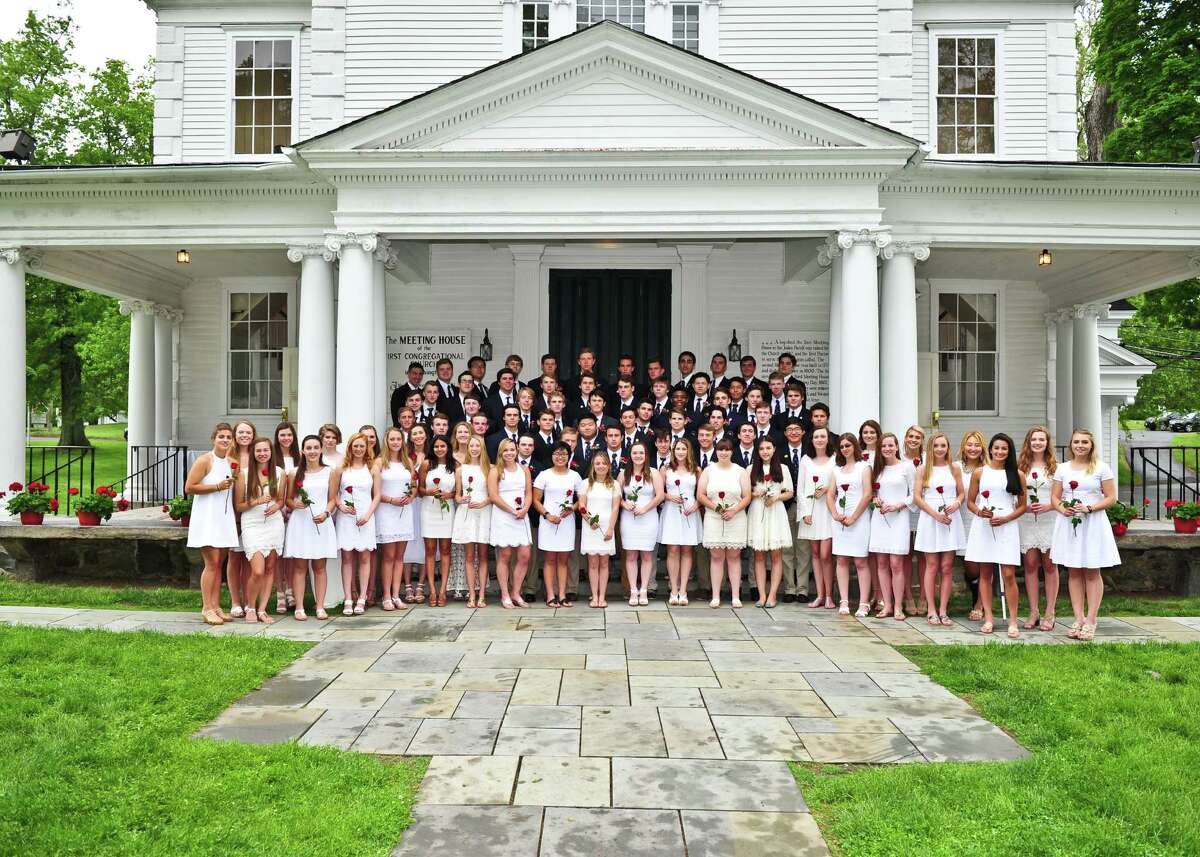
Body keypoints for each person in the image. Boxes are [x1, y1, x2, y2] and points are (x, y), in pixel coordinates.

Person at [1051, 429, 1120, 642]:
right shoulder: (1062, 468)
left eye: (1084, 442)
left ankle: (1091, 620)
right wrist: (1063, 509)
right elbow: (1054, 496)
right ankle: (1078, 617)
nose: (1080, 445)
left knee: (1091, 571)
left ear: (1091, 445)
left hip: (1092, 523)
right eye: (1076, 442)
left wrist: (1090, 508)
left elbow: (1111, 498)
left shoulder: (1101, 467)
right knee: (1073, 571)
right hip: (1070, 522)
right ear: (1071, 444)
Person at [965, 433, 1028, 638]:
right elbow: (970, 502)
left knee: (1008, 574)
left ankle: (1012, 621)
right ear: (990, 449)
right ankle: (989, 618)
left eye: (1004, 449)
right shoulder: (979, 473)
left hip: (1006, 525)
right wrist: (979, 512)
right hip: (984, 525)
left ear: (1009, 452)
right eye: (996, 448)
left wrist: (1006, 519)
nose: (999, 452)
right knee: (985, 573)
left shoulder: (1017, 474)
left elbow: (1022, 506)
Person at [184, 422, 239, 625]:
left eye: (228, 437)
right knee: (211, 562)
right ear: (213, 439)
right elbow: (189, 487)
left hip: (224, 517)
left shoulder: (233, 463)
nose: (225, 440)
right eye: (221, 436)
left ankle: (216, 606)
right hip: (207, 516)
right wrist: (216, 486)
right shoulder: (204, 461)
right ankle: (206, 607)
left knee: (220, 562)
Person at [913, 432, 966, 626]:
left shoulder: (955, 468)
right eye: (936, 446)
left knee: (946, 566)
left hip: (950, 518)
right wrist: (934, 514)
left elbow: (961, 493)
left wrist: (957, 504)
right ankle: (931, 609)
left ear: (948, 448)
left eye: (943, 445)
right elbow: (917, 497)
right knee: (932, 565)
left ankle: (943, 609)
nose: (940, 449)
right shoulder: (923, 469)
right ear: (931, 448)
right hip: (930, 518)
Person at [284, 434, 339, 620]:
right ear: (302, 451)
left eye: (316, 447)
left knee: (320, 566)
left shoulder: (330, 472)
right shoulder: (293, 473)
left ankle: (320, 606)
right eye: (309, 448)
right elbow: (288, 499)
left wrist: (326, 513)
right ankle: (299, 607)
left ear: (321, 449)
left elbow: (332, 499)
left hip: (321, 522)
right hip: (300, 523)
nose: (313, 451)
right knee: (300, 567)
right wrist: (294, 504)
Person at [235, 437, 287, 625]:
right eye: (259, 451)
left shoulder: (279, 473)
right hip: (253, 524)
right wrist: (257, 501)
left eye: (266, 450)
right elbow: (239, 506)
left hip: (274, 523)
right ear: (253, 453)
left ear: (271, 452)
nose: (262, 453)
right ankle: (250, 606)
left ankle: (262, 609)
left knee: (271, 567)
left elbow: (281, 499)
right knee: (257, 570)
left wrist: (276, 507)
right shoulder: (244, 474)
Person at [698, 439, 751, 608]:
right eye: (720, 449)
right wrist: (717, 508)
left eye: (727, 450)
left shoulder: (740, 471)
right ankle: (715, 595)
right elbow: (701, 495)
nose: (724, 453)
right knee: (716, 557)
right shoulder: (708, 470)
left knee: (734, 557)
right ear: (716, 451)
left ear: (732, 452)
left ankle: (735, 596)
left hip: (736, 517)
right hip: (714, 517)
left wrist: (734, 510)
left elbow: (747, 496)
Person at [867, 433, 914, 620]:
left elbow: (915, 495)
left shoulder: (907, 467)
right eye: (883, 446)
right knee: (882, 563)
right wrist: (875, 499)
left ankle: (898, 606)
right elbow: (871, 492)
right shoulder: (876, 469)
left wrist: (898, 505)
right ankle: (886, 605)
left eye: (890, 445)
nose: (887, 449)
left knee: (896, 563)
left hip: (899, 518)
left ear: (896, 447)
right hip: (880, 518)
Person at [333, 432, 380, 616]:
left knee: (365, 557)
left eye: (362, 446)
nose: (359, 449)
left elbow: (376, 495)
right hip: (347, 517)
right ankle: (347, 598)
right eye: (355, 446)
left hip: (366, 516)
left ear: (366, 448)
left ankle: (362, 597)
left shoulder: (372, 468)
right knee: (347, 558)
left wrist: (368, 514)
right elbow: (334, 493)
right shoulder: (341, 469)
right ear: (350, 447)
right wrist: (341, 506)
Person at [1018, 426, 1060, 632]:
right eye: (1033, 439)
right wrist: (1023, 507)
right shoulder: (1020, 467)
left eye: (1041, 439)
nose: (1037, 442)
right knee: (1031, 564)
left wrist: (1049, 506)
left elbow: (1062, 497)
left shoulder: (1056, 467)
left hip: (1049, 517)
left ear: (1047, 442)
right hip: (1026, 519)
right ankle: (1034, 611)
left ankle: (1050, 611)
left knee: (1050, 565)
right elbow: (1014, 494)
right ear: (1028, 441)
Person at [533, 442, 584, 608]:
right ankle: (550, 595)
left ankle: (562, 594)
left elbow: (581, 499)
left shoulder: (575, 476)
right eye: (557, 454)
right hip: (548, 521)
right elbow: (535, 500)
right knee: (549, 559)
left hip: (566, 522)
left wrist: (572, 508)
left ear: (569, 456)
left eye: (564, 454)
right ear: (551, 456)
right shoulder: (544, 475)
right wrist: (547, 515)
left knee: (563, 560)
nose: (560, 457)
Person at [828, 433, 873, 617]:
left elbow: (868, 494)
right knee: (841, 560)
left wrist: (854, 517)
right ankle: (844, 601)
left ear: (855, 446)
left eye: (848, 445)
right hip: (840, 519)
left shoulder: (864, 467)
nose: (845, 449)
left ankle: (863, 603)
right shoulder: (836, 470)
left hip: (859, 517)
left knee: (861, 560)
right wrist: (836, 514)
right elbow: (831, 494)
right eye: (842, 446)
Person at [747, 436, 795, 608]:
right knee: (758, 555)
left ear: (774, 449)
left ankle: (773, 594)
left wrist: (776, 497)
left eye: (768, 448)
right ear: (757, 451)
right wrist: (756, 494)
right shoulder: (750, 468)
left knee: (776, 556)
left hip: (775, 511)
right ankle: (761, 595)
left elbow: (790, 492)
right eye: (761, 449)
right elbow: (745, 492)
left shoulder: (783, 468)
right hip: (758, 510)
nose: (765, 452)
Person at [373, 427, 416, 612]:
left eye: (399, 439)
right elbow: (374, 491)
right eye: (392, 439)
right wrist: (391, 500)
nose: (396, 442)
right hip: (386, 511)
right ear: (386, 441)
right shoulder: (379, 462)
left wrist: (411, 497)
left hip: (404, 512)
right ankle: (386, 595)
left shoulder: (408, 462)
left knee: (400, 556)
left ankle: (397, 595)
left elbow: (414, 484)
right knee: (389, 556)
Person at [618, 441, 664, 605]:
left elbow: (660, 496)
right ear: (630, 455)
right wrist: (625, 504)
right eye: (635, 453)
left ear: (646, 455)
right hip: (629, 519)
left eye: (641, 453)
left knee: (646, 555)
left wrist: (646, 508)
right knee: (630, 555)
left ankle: (644, 589)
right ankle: (633, 590)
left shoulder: (653, 473)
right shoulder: (624, 474)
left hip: (649, 517)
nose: (638, 456)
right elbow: (617, 497)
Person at [488, 438, 533, 608]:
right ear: (501, 452)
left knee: (524, 555)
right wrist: (511, 510)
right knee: (505, 555)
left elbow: (528, 493)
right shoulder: (495, 471)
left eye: (512, 450)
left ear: (517, 451)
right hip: (503, 516)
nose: (509, 453)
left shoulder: (524, 470)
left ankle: (516, 592)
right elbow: (493, 496)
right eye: (505, 450)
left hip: (521, 516)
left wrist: (524, 509)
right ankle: (505, 594)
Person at [453, 433, 493, 608]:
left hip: (484, 511)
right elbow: (457, 494)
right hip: (467, 513)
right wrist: (460, 499)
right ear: (467, 448)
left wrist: (485, 501)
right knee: (469, 556)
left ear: (482, 448)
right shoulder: (461, 469)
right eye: (471, 446)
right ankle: (471, 594)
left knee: (483, 555)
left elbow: (494, 494)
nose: (475, 449)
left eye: (478, 446)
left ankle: (482, 595)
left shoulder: (490, 468)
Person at [797, 426, 836, 609]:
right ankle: (820, 595)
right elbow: (801, 489)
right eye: (816, 437)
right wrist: (805, 512)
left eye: (823, 436)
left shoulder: (835, 459)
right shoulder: (806, 460)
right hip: (811, 512)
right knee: (815, 554)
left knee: (825, 554)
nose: (819, 439)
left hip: (828, 511)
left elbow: (840, 482)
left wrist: (828, 488)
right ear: (811, 440)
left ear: (828, 439)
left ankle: (830, 595)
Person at [660, 438, 701, 605]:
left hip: (689, 512)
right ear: (673, 451)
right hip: (671, 512)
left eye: (684, 449)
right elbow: (659, 492)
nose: (681, 452)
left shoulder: (696, 469)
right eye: (678, 449)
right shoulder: (666, 469)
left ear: (688, 450)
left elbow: (702, 493)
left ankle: (683, 590)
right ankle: (674, 590)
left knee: (686, 551)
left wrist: (696, 505)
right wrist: (669, 496)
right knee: (672, 550)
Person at [224, 420, 257, 619]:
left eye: (248, 432)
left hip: (252, 512)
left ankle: (248, 600)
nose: (245, 435)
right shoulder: (228, 456)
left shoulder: (257, 455)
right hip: (232, 512)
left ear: (253, 435)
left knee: (248, 557)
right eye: (241, 432)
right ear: (235, 435)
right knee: (234, 557)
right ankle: (235, 601)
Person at [420, 435, 458, 607]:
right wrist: (429, 492)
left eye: (443, 446)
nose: (439, 449)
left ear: (448, 447)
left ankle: (442, 590)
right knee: (429, 550)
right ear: (432, 448)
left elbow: (459, 491)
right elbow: (420, 489)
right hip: (429, 509)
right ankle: (432, 591)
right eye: (436, 446)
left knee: (445, 550)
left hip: (447, 510)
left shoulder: (456, 466)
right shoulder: (427, 464)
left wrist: (449, 495)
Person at [578, 453, 620, 608]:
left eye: (604, 463)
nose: (601, 466)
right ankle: (594, 596)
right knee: (593, 563)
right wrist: (590, 520)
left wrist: (610, 528)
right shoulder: (585, 484)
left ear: (608, 466)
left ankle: (602, 596)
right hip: (591, 528)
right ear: (593, 466)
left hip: (607, 527)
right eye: (597, 463)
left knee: (604, 563)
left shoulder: (614, 484)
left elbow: (615, 508)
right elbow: (582, 506)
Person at [956, 430, 987, 619]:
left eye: (976, 445)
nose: (973, 448)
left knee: (983, 562)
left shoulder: (989, 467)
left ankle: (979, 603)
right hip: (962, 518)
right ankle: (977, 592)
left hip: (981, 518)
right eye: (969, 444)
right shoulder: (956, 467)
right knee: (969, 564)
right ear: (963, 447)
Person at [403, 424, 429, 603]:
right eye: (415, 434)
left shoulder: (432, 455)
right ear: (410, 437)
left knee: (424, 543)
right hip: (410, 503)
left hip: (426, 503)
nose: (418, 436)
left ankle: (420, 585)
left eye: (421, 433)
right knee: (407, 544)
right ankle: (407, 586)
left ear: (426, 435)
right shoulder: (405, 456)